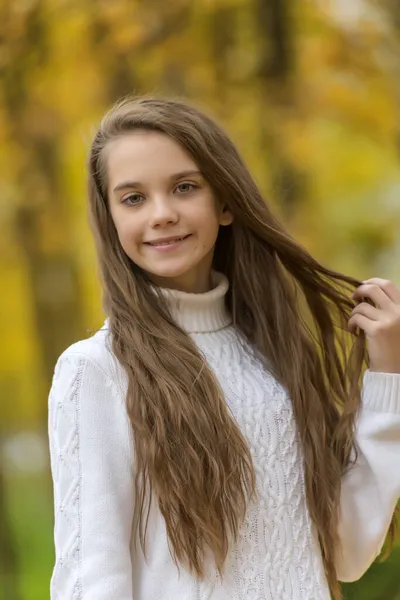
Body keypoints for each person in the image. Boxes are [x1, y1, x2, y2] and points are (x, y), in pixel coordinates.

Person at [47, 96, 400, 600]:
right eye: (133, 198)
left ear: (226, 203)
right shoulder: (96, 370)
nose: (162, 214)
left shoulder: (277, 355)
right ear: (110, 220)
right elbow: (91, 580)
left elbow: (345, 552)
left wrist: (388, 377)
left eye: (185, 187)